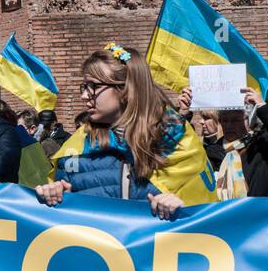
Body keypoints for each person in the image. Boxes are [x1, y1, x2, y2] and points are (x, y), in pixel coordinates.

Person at [36, 43, 185, 219]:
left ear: (126, 89)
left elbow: (207, 217)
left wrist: (183, 208)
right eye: (84, 87)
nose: (84, 96)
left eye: (94, 86)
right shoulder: (76, 148)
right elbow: (59, 220)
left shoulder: (180, 144)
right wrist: (53, 195)